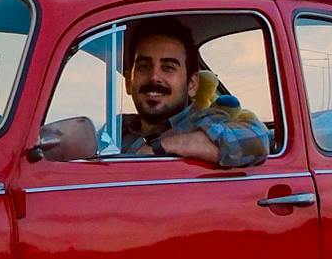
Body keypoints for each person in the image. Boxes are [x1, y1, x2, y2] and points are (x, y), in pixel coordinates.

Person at [116, 19, 270, 169]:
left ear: (192, 85)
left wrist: (162, 147)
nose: (154, 76)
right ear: (129, 82)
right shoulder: (116, 130)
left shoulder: (206, 122)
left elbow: (259, 140)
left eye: (168, 67)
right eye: (144, 66)